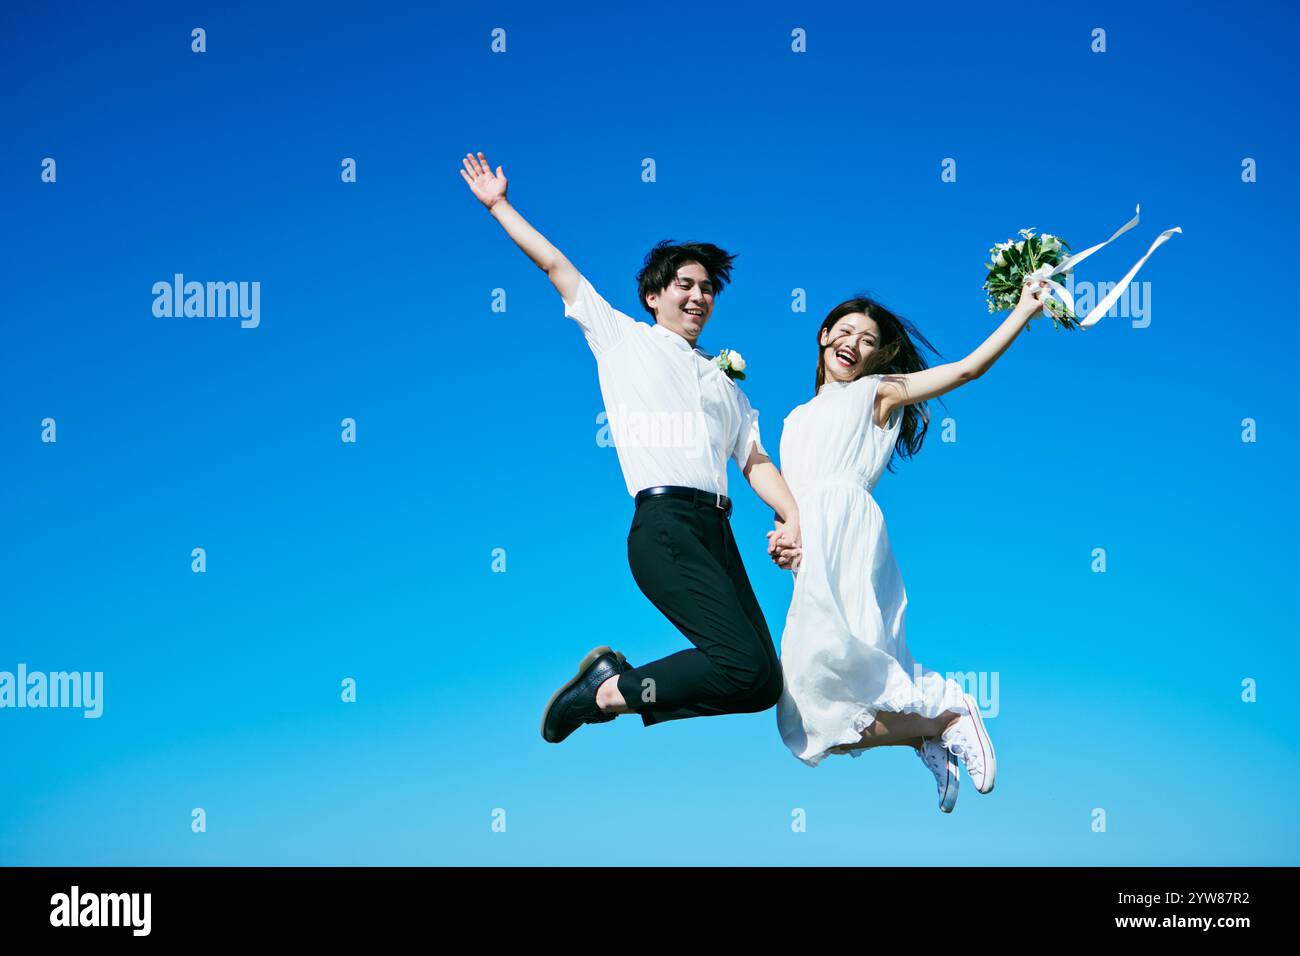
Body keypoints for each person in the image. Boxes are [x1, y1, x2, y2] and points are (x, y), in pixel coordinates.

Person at [459, 151, 801, 743]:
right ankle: (603, 694)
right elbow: (556, 266)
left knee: (762, 682)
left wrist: (792, 513)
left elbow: (755, 461)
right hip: (664, 524)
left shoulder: (726, 385)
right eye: (685, 285)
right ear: (654, 295)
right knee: (740, 664)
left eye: (707, 289)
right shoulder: (623, 340)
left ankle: (607, 689)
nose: (698, 297)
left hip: (719, 534)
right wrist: (499, 206)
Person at [766, 278, 1049, 811]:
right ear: (824, 336)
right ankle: (929, 730)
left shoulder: (878, 392)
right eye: (845, 331)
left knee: (846, 672)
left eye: (868, 339)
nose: (854, 342)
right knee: (809, 713)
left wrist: (1022, 311)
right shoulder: (793, 420)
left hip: (851, 533)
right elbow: (790, 502)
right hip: (814, 551)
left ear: (877, 354)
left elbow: (966, 369)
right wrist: (786, 539)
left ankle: (953, 711)